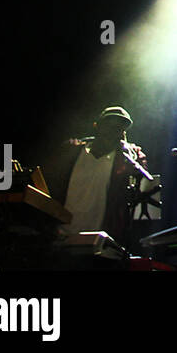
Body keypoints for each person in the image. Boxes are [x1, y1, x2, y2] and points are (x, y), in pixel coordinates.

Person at [46, 106, 149, 248]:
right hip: (62, 238)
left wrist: (132, 154)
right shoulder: (72, 152)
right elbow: (49, 188)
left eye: (120, 128)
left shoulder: (125, 161)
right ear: (97, 126)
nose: (114, 131)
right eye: (110, 125)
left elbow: (141, 193)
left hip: (98, 244)